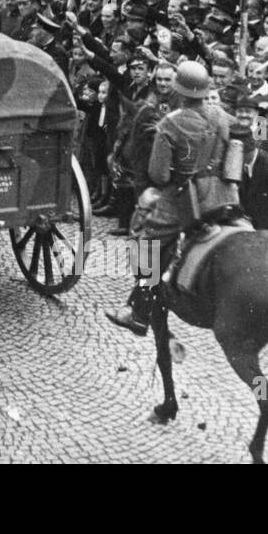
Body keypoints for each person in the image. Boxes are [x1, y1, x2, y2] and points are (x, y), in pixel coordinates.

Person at [106, 60, 238, 335]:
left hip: (186, 200)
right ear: (205, 90)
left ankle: (140, 313)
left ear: (179, 90)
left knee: (147, 243)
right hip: (225, 196)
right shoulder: (222, 115)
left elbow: (160, 175)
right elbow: (251, 134)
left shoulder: (170, 123)